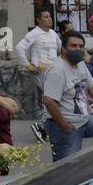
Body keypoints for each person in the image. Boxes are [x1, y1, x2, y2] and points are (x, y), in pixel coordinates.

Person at [42, 31, 93, 162]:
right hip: (66, 126)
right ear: (63, 48)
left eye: (81, 46)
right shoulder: (57, 70)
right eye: (73, 46)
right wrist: (64, 125)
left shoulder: (80, 64)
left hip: (84, 120)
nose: (78, 49)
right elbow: (48, 101)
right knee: (66, 167)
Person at [15, 9, 61, 142]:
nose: (49, 19)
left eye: (50, 16)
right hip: (40, 71)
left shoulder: (53, 33)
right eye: (45, 17)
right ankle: (41, 126)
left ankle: (45, 127)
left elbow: (59, 48)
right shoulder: (34, 33)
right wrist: (29, 65)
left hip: (53, 72)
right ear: (39, 20)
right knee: (52, 98)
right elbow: (19, 48)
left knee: (54, 99)